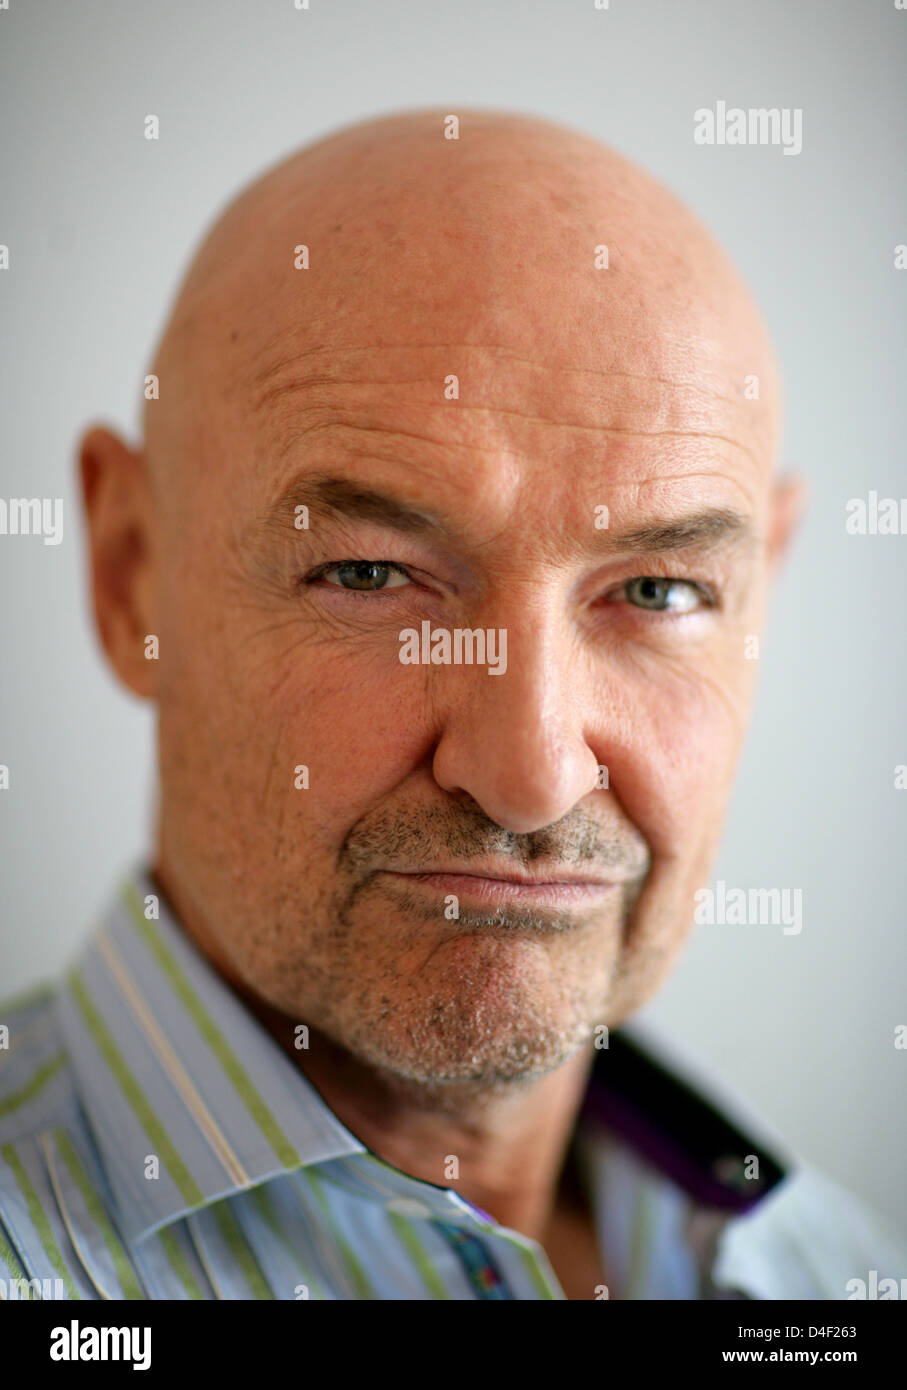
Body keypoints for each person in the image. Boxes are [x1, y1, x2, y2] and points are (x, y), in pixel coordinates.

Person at [0, 109, 900, 1301]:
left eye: (660, 589)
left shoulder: (836, 1275)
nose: (529, 771)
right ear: (129, 575)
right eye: (369, 574)